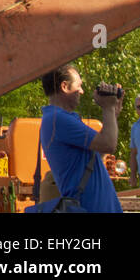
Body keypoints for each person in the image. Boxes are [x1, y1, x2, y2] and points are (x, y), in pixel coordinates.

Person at [34, 64, 123, 213]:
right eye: (79, 86)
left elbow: (96, 157)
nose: (81, 91)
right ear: (64, 86)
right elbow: (109, 144)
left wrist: (112, 114)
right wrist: (107, 107)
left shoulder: (58, 119)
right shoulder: (59, 119)